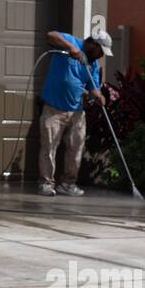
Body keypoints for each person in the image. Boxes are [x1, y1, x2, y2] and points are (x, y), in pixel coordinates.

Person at [36, 29, 112, 197]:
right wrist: (72, 48)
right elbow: (50, 35)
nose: (101, 56)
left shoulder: (93, 64)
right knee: (49, 148)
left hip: (77, 111)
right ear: (93, 44)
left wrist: (99, 97)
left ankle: (68, 184)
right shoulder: (72, 42)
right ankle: (46, 184)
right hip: (53, 109)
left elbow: (93, 87)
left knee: (76, 149)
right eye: (101, 51)